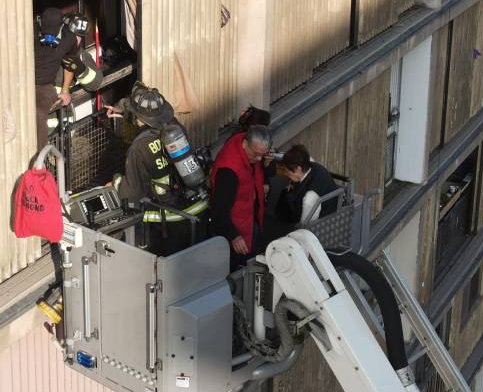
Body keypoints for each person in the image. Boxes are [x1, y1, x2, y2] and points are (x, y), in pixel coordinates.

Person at [118, 88, 207, 256]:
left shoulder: (138, 149)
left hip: (168, 226)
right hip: (197, 213)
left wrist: (116, 182)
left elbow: (132, 194)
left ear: (138, 119)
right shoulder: (176, 129)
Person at [211, 124, 272, 266]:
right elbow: (219, 210)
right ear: (245, 143)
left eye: (262, 155)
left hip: (251, 220)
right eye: (256, 154)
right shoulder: (228, 171)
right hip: (237, 231)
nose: (258, 159)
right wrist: (234, 236)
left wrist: (267, 166)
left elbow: (259, 171)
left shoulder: (245, 145)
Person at [33, 7, 76, 143]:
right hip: (24, 83)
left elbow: (70, 64)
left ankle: (40, 158)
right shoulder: (29, 34)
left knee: (39, 115)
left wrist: (65, 90)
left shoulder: (68, 38)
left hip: (44, 86)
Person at [275, 145, 340, 226]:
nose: (286, 174)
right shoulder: (312, 164)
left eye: (288, 171)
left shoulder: (310, 197)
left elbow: (305, 226)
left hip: (323, 221)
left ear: (298, 169)